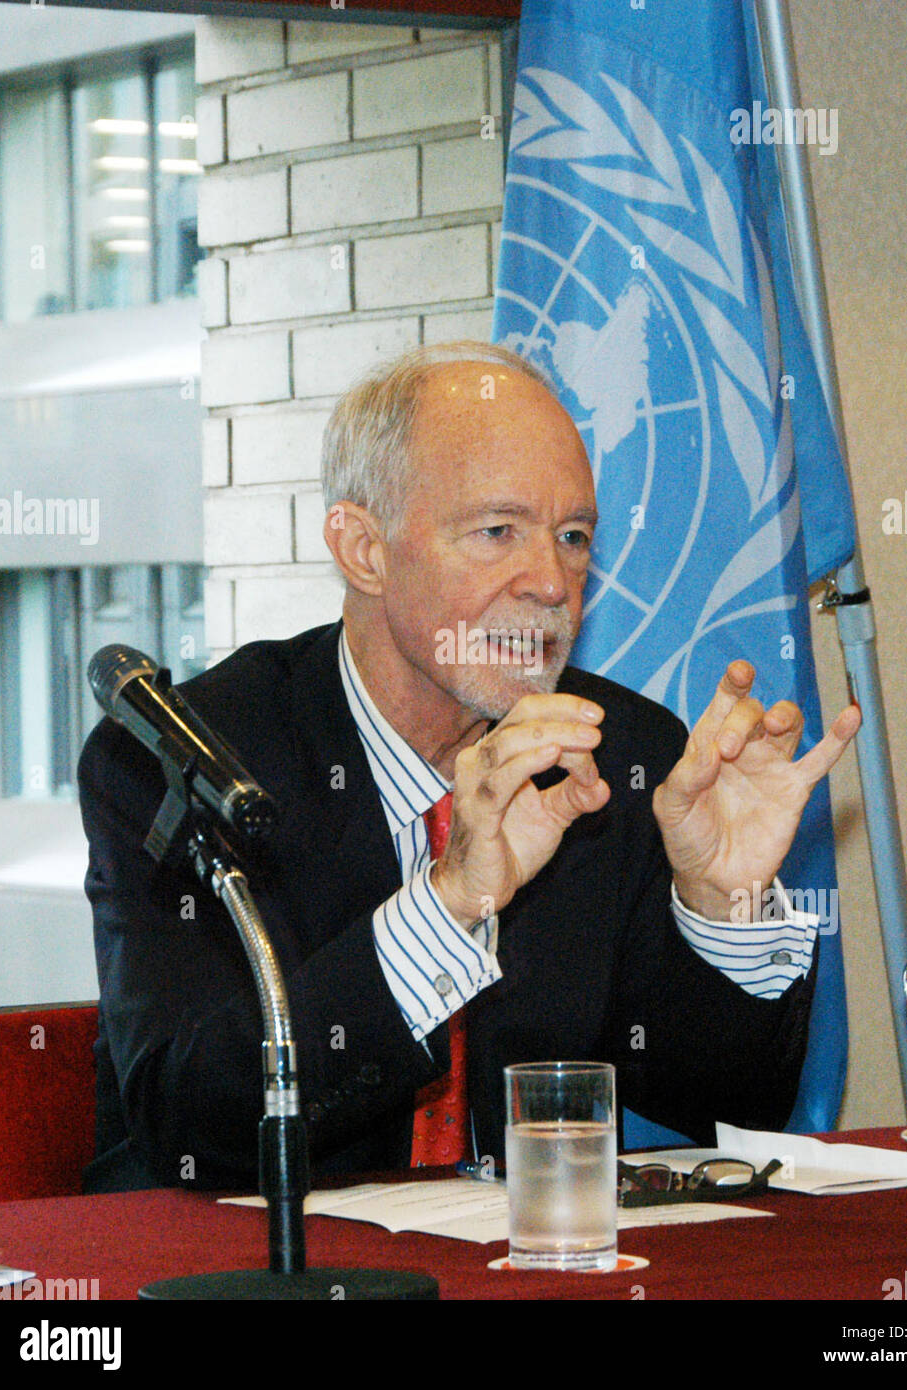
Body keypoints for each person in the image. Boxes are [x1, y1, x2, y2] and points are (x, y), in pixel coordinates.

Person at [78, 341, 860, 1193]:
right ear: (363, 548)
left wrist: (721, 901)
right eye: (497, 531)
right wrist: (449, 904)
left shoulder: (615, 752)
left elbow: (725, 1097)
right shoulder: (189, 759)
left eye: (572, 537)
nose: (553, 583)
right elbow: (190, 1124)